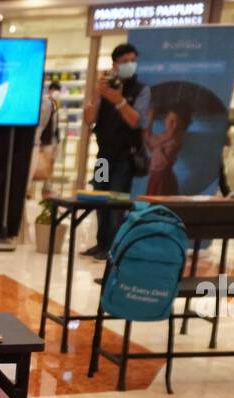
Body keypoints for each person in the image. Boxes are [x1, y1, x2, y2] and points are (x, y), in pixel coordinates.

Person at [82, 43, 150, 260]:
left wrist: (119, 101)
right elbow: (89, 119)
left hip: (124, 159)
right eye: (124, 61)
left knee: (116, 204)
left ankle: (114, 248)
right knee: (100, 200)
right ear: (114, 64)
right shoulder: (106, 88)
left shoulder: (142, 90)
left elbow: (135, 121)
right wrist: (97, 92)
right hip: (104, 157)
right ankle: (101, 244)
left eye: (133, 60)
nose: (130, 65)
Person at [143, 105, 190, 196]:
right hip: (157, 175)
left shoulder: (175, 138)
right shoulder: (165, 136)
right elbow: (148, 142)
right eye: (170, 119)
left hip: (162, 177)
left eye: (176, 121)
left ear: (181, 124)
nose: (172, 124)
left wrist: (150, 119)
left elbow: (148, 139)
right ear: (165, 120)